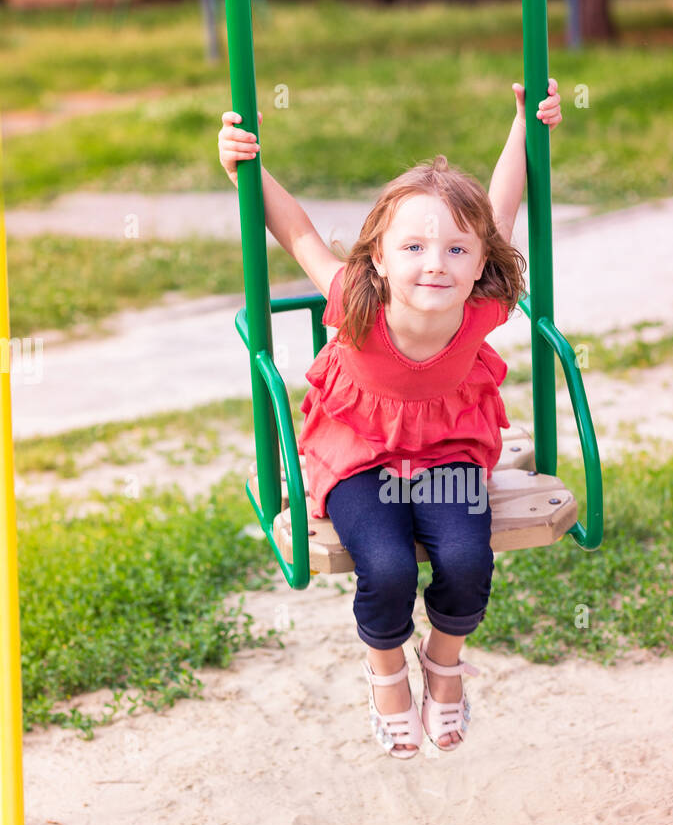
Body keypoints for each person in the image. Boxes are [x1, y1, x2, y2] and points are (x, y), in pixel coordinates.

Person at [218, 78, 562, 759]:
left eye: (457, 251)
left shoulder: (481, 308)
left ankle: (443, 661)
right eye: (413, 249)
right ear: (377, 256)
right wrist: (244, 169)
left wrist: (526, 123)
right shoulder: (356, 299)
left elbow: (504, 203)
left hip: (449, 452)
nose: (436, 265)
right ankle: (385, 674)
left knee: (465, 558)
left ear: (479, 264)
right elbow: (298, 234)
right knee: (386, 566)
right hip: (361, 457)